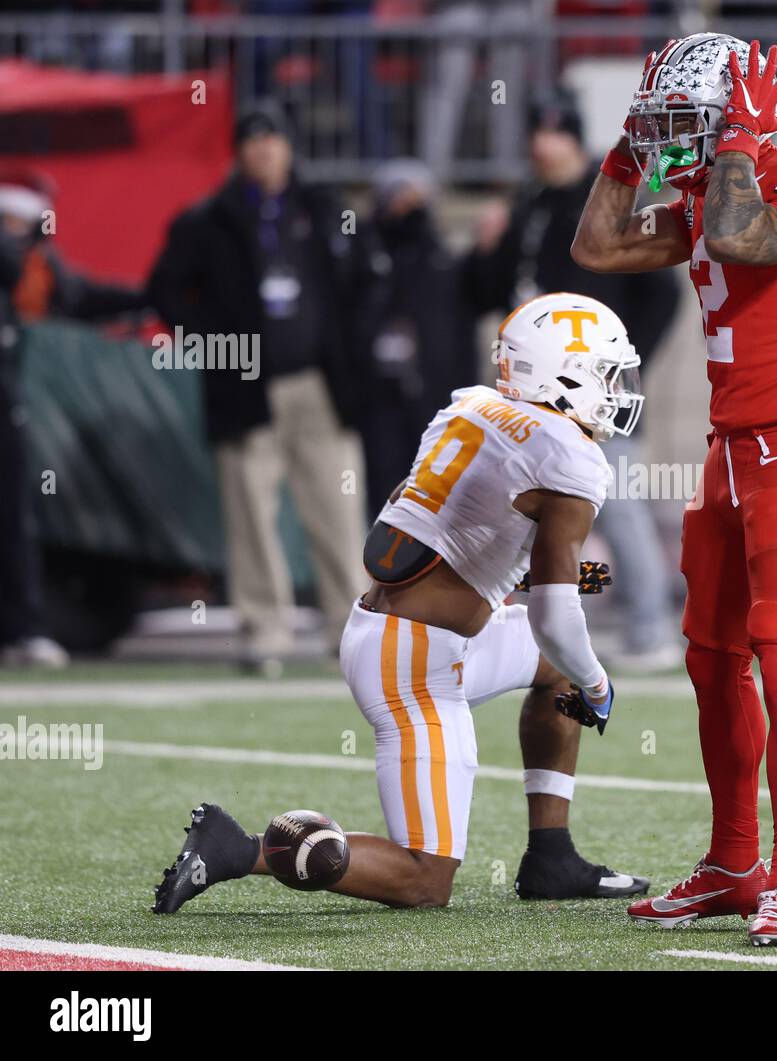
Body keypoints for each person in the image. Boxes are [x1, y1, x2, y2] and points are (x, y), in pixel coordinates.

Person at [154, 293, 651, 912]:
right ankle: (238, 849)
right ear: (565, 374)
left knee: (554, 671)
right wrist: (599, 684)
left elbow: (454, 537)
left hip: (395, 631)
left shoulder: (470, 405)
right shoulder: (570, 457)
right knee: (425, 880)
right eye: (605, 373)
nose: (615, 390)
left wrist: (580, 584)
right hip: (415, 667)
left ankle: (551, 857)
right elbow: (555, 615)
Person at [572, 34, 777, 946]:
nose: (673, 138)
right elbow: (597, 245)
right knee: (710, 659)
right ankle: (734, 862)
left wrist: (741, 142)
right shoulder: (713, 181)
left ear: (743, 114)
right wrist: (627, 153)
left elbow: (746, 236)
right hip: (731, 445)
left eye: (684, 120)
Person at [149, 101, 369, 674]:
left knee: (339, 510)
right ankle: (263, 632)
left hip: (319, 386)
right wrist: (215, 348)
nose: (264, 149)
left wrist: (348, 353)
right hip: (246, 388)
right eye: (252, 140)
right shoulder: (208, 219)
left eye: (273, 139)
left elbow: (362, 286)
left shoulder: (323, 210)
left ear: (290, 148)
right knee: (250, 514)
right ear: (239, 152)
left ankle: (352, 633)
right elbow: (166, 290)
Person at [465, 88, 682, 669]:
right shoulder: (530, 202)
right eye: (538, 131)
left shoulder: (606, 197)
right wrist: (485, 249)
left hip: (591, 389)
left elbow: (662, 291)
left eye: (556, 131)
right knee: (520, 505)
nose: (544, 143)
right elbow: (486, 290)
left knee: (619, 503)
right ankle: (517, 631)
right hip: (532, 388)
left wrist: (621, 363)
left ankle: (650, 627)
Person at [0, 169, 146, 668]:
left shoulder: (43, 267)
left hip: (25, 411)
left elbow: (81, 297)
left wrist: (147, 295)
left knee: (17, 518)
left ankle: (23, 626)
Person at [359, 159, 477, 518]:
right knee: (382, 490)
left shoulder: (442, 260)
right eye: (401, 197)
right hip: (377, 395)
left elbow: (459, 333)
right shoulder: (366, 256)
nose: (410, 208)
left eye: (418, 199)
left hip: (434, 397)